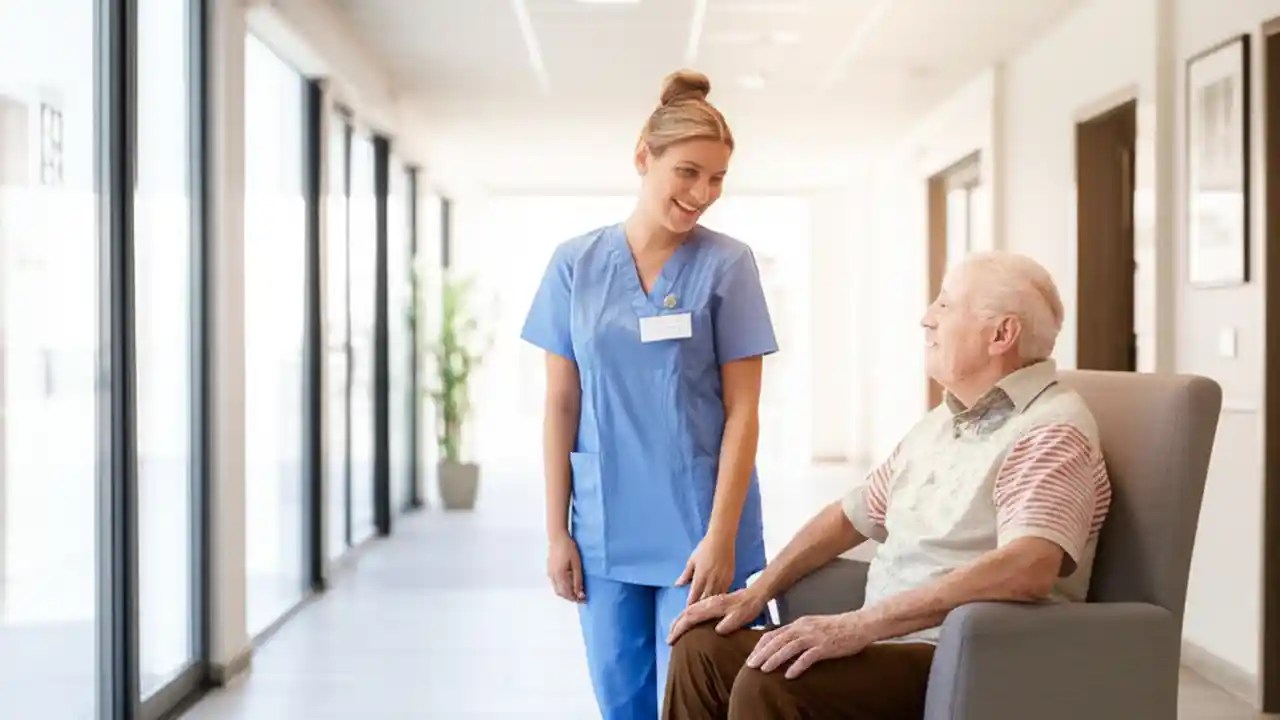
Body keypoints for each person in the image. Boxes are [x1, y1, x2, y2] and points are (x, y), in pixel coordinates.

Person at [663, 251, 1113, 720]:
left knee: (776, 680)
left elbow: (1029, 566)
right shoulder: (944, 422)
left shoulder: (1051, 431)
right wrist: (758, 592)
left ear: (1001, 334)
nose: (927, 319)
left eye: (945, 305)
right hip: (887, 643)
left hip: (962, 659)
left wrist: (859, 625)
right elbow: (849, 515)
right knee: (703, 650)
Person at [521, 69, 778, 720]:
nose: (703, 194)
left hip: (698, 531)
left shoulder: (728, 265)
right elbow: (559, 405)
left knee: (687, 703)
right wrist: (556, 530)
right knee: (621, 703)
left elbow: (745, 410)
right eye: (688, 172)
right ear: (644, 156)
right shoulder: (574, 265)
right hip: (604, 526)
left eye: (717, 178)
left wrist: (721, 537)